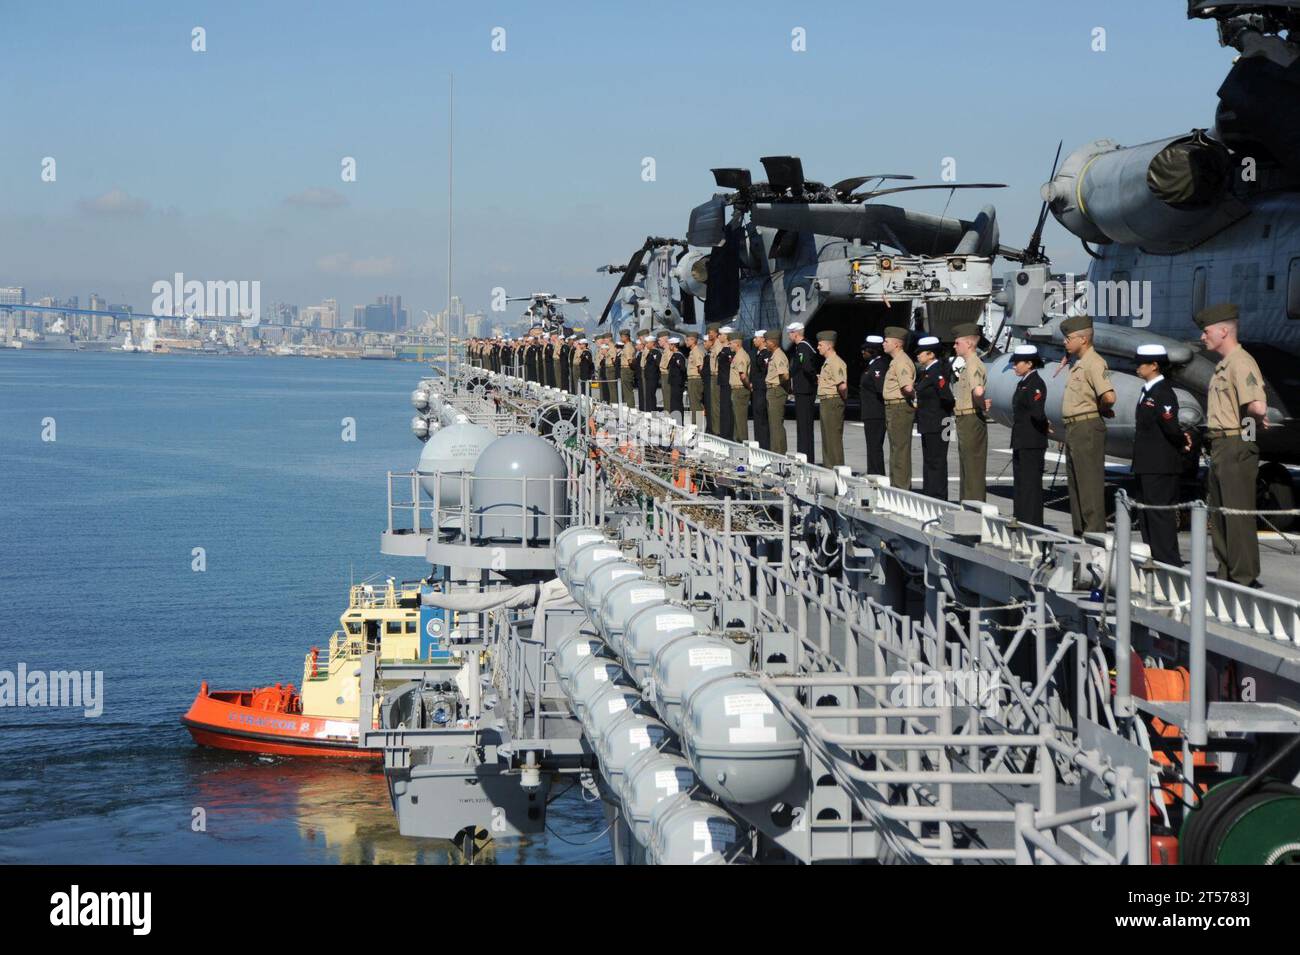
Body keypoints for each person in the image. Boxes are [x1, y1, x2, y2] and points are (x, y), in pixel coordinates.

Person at [1199, 302, 1268, 586]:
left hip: (1235, 444)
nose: (1203, 337)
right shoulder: (1224, 366)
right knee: (1220, 513)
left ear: (1223, 330)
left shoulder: (1241, 363)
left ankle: (1243, 578)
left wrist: (1255, 417)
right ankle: (1227, 572)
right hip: (1222, 444)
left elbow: (1258, 406)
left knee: (1237, 515)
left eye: (1206, 331)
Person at [1132, 344, 1189, 567]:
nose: (1137, 367)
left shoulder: (1163, 392)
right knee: (1146, 514)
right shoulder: (1147, 390)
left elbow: (1171, 428)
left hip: (1160, 464)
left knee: (1159, 515)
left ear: (1154, 365)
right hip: (1147, 463)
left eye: (1141, 363)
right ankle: (1153, 556)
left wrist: (1183, 441)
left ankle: (1168, 560)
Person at [1058, 314, 1115, 535]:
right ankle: (1080, 533)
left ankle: (1094, 536)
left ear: (1083, 339)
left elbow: (1109, 396)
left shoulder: (1094, 363)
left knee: (1089, 485)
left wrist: (1098, 408)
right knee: (1076, 485)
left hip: (1086, 427)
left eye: (1068, 337)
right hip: (1075, 428)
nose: (1065, 341)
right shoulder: (1078, 364)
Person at [1010, 345, 1049, 525]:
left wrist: (1044, 425)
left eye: (1017, 363)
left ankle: (1031, 521)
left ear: (1029, 363)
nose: (1014, 366)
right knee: (1021, 482)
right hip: (1021, 440)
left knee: (1030, 484)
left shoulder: (1035, 384)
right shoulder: (1023, 383)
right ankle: (1020, 517)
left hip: (1032, 441)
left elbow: (1037, 412)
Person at [951, 322, 989, 502]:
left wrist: (982, 405)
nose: (954, 346)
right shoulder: (969, 364)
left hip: (971, 417)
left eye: (957, 342)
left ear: (969, 344)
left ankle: (974, 506)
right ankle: (967, 504)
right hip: (966, 418)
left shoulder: (973, 364)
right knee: (967, 464)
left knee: (972, 466)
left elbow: (978, 391)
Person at [913, 335, 954, 499]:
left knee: (937, 462)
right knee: (930, 461)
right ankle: (930, 493)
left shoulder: (937, 373)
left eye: (921, 353)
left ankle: (938, 496)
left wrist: (941, 416)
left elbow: (948, 398)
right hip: (930, 423)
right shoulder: (928, 373)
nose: (918, 355)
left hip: (938, 424)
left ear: (931, 354)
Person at [882, 326, 916, 489]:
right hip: (894, 407)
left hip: (899, 408)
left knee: (900, 449)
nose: (883, 343)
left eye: (886, 341)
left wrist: (913, 397)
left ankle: (901, 487)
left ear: (897, 344)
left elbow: (907, 388)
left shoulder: (902, 362)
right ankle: (896, 485)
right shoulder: (896, 361)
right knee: (895, 448)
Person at [787, 321, 820, 459]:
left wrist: (814, 379)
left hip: (805, 390)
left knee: (804, 425)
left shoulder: (802, 347)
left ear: (795, 333)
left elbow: (806, 366)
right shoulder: (802, 346)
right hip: (804, 390)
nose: (789, 335)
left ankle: (806, 456)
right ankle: (804, 454)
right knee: (803, 425)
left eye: (790, 333)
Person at [816, 330, 848, 468]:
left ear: (828, 346)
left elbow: (842, 385)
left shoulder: (836, 362)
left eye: (820, 345)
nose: (818, 347)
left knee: (833, 438)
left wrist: (843, 398)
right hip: (827, 401)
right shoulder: (829, 362)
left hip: (832, 401)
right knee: (827, 437)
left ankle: (837, 469)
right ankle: (829, 467)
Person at [859, 334, 888, 476]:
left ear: (874, 350)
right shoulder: (872, 366)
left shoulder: (878, 366)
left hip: (876, 412)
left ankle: (877, 473)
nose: (863, 352)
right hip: (870, 412)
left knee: (875, 446)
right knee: (871, 446)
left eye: (866, 349)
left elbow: (881, 388)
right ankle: (873, 472)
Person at [764, 330, 789, 454]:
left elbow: (784, 375)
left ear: (772, 342)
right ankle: (776, 450)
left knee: (776, 424)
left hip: (776, 391)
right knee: (774, 424)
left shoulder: (778, 355)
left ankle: (779, 452)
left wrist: (778, 386)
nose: (765, 344)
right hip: (773, 390)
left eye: (767, 342)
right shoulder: (775, 355)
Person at [728, 334, 751, 443]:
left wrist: (748, 386)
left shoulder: (741, 356)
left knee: (740, 419)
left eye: (731, 343)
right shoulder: (737, 355)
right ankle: (738, 442)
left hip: (740, 389)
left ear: (737, 344)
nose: (729, 345)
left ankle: (742, 443)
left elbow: (743, 375)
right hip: (737, 389)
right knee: (737, 419)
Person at [750, 331, 771, 449]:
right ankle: (759, 443)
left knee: (762, 419)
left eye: (756, 338)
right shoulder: (757, 354)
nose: (753, 340)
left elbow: (765, 372)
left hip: (762, 389)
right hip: (756, 390)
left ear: (763, 339)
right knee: (757, 418)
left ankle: (764, 445)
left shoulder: (766, 354)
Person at [717, 326, 734, 438]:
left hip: (727, 382)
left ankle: (727, 433)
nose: (719, 336)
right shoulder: (723, 349)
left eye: (721, 334)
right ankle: (723, 432)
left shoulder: (729, 351)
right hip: (722, 382)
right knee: (723, 408)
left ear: (726, 336)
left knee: (727, 409)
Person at [686, 332, 706, 427]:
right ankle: (694, 425)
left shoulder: (696, 351)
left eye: (688, 339)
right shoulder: (692, 351)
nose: (686, 341)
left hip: (695, 379)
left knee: (695, 404)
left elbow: (700, 367)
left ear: (693, 340)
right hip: (692, 379)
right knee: (693, 404)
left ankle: (697, 426)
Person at [703, 323, 720, 433]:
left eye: (710, 332)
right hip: (711, 378)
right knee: (711, 406)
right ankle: (712, 429)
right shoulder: (713, 348)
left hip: (716, 377)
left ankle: (716, 430)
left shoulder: (718, 347)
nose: (709, 334)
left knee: (715, 406)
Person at [666, 337, 686, 417]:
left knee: (677, 403)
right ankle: (674, 419)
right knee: (674, 402)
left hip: (677, 383)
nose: (669, 347)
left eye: (670, 345)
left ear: (673, 345)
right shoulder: (674, 355)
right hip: (674, 382)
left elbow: (682, 369)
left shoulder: (678, 356)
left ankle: (678, 421)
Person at [619, 329, 636, 407]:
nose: (620, 339)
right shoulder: (626, 346)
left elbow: (630, 361)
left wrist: (631, 370)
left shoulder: (628, 346)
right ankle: (629, 407)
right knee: (626, 391)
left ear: (626, 337)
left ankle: (631, 408)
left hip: (627, 369)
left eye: (622, 337)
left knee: (628, 391)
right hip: (625, 369)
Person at [631, 336, 644, 409]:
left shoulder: (642, 354)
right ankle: (641, 408)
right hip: (638, 375)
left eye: (637, 345)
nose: (636, 346)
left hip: (642, 376)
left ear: (641, 345)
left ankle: (643, 408)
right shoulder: (639, 354)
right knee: (640, 394)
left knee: (643, 394)